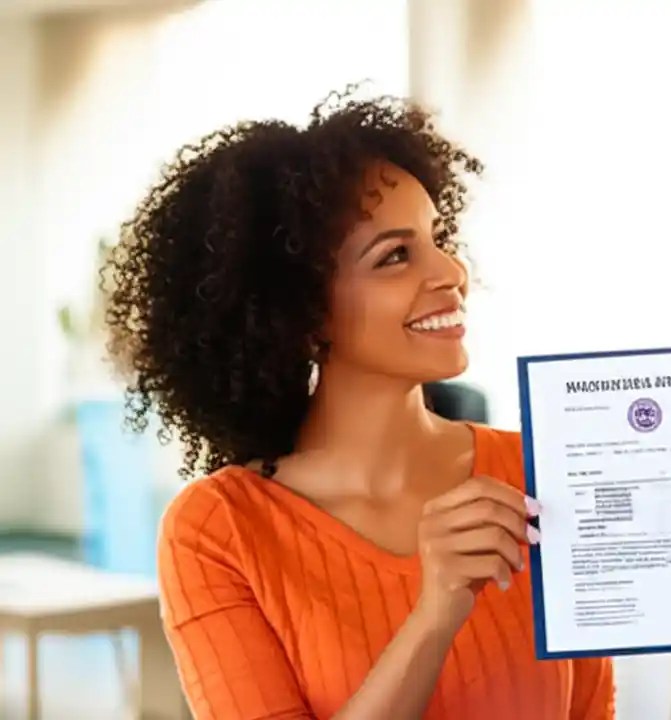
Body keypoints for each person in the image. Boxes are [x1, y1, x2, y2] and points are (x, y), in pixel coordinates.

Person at [103, 89, 615, 719]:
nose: (451, 270)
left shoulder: (543, 474)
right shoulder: (218, 532)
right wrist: (434, 616)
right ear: (301, 309)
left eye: (438, 237)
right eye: (396, 255)